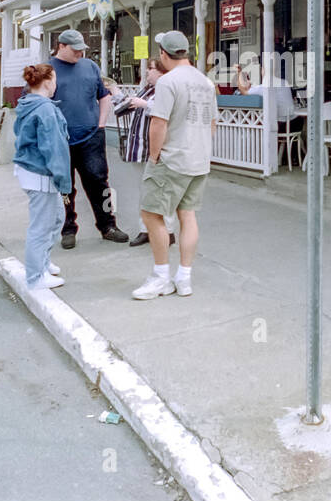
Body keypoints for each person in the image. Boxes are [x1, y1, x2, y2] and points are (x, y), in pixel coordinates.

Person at [132, 30, 218, 301]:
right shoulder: (205, 82)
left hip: (172, 158)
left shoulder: (168, 82)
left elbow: (159, 122)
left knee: (152, 215)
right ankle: (185, 276)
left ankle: (160, 277)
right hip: (199, 159)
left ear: (164, 54)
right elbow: (213, 123)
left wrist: (154, 156)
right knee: (188, 215)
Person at [49, 29, 129, 247]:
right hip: (60, 139)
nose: (79, 54)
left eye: (81, 50)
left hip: (91, 136)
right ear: (61, 46)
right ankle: (68, 228)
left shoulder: (90, 67)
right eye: (75, 50)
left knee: (99, 182)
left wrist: (101, 123)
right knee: (64, 186)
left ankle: (108, 225)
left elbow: (103, 96)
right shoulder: (48, 70)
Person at [13, 64, 71, 290]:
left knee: (55, 217)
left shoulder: (28, 104)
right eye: (54, 79)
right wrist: (63, 181)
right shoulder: (46, 109)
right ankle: (36, 275)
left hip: (30, 170)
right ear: (47, 82)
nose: (56, 84)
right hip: (41, 173)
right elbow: (54, 148)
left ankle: (42, 264)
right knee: (43, 225)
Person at [113, 59, 177, 248]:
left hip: (156, 149)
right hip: (139, 148)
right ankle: (146, 229)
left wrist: (144, 104)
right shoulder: (147, 90)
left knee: (161, 191)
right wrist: (116, 93)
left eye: (151, 69)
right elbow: (126, 106)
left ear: (162, 72)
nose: (147, 72)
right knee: (144, 191)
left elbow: (166, 114)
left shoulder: (167, 90)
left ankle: (168, 231)